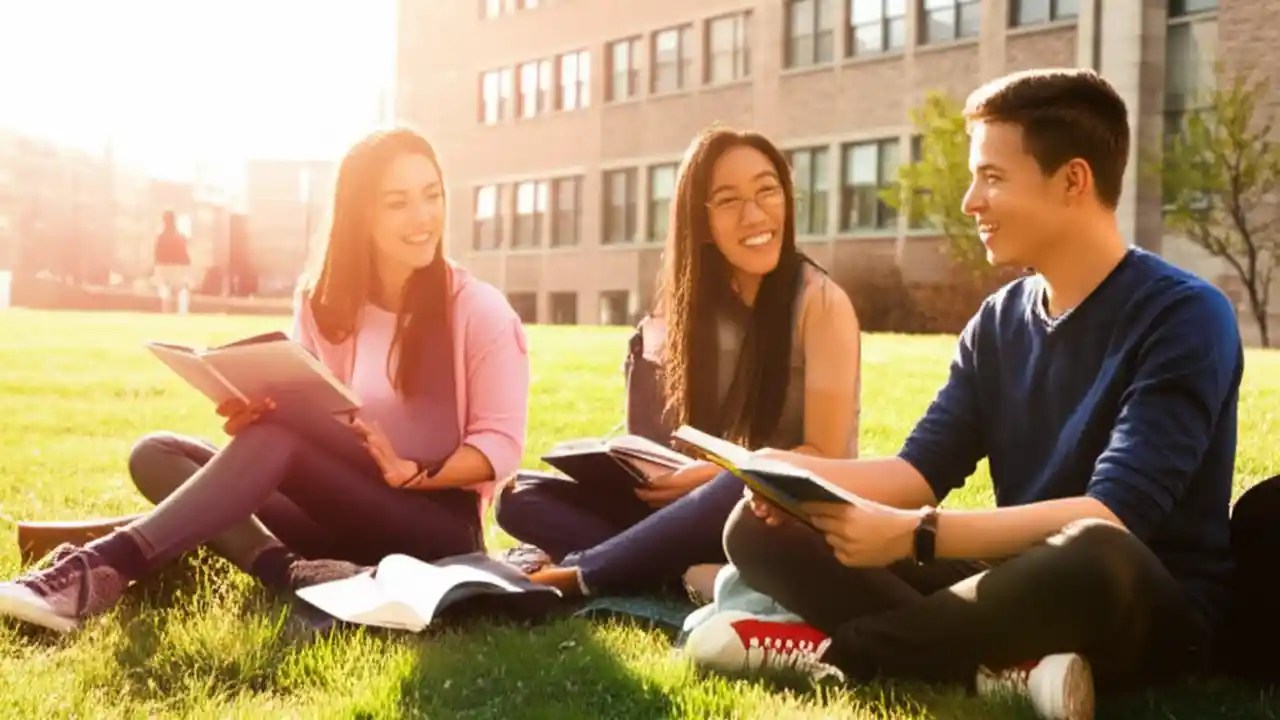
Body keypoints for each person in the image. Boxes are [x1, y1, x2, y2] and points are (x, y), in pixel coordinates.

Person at [685, 69, 1243, 720]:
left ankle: (836, 655)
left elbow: (1114, 516)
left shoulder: (1185, 316)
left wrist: (915, 537)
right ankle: (1004, 671)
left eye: (993, 178)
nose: (969, 202)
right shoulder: (998, 322)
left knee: (1097, 551)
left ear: (1073, 181)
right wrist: (789, 477)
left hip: (1129, 601)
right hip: (1009, 582)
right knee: (758, 529)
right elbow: (916, 472)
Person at [0, 128, 530, 633]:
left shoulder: (478, 310)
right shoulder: (323, 303)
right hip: (333, 509)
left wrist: (412, 472)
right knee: (157, 453)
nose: (423, 217)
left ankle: (99, 567)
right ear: (359, 215)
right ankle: (291, 573)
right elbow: (316, 419)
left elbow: (500, 449)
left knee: (283, 426)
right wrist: (254, 407)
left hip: (435, 528)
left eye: (431, 195)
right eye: (398, 202)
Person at [495, 125, 861, 598]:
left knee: (745, 487)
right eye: (729, 200)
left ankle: (583, 574)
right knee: (518, 498)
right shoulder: (693, 310)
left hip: (782, 512)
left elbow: (827, 456)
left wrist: (718, 475)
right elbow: (665, 438)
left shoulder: (821, 303)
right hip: (696, 512)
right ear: (701, 220)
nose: (755, 215)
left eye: (767, 191)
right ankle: (682, 576)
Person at [153, 210, 192, 313]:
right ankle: (182, 312)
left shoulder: (162, 236)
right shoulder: (178, 235)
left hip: (167, 265)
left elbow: (157, 253)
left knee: (167, 291)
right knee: (180, 289)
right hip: (176, 265)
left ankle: (168, 311)